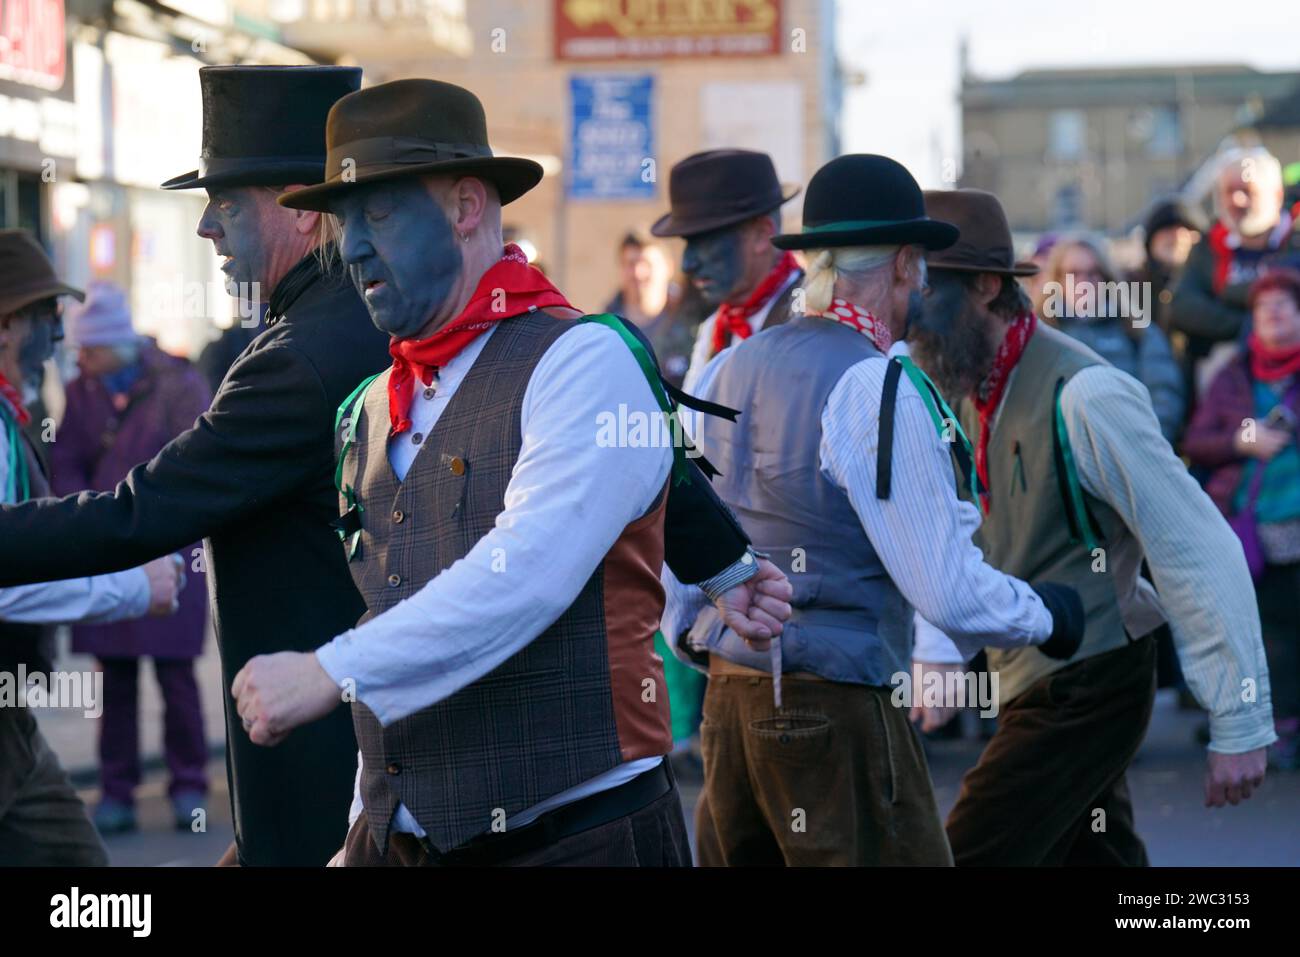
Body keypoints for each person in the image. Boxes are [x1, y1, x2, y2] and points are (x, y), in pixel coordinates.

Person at [228, 78, 793, 867]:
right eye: (343, 220)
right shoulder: (366, 408)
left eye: (380, 213)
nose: (352, 246)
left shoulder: (581, 359)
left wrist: (330, 670)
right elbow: (388, 608)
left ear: (466, 208)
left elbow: (526, 572)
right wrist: (363, 822)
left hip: (580, 843)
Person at [0, 65, 396, 866]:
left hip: (322, 777)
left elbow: (135, 512)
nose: (205, 230)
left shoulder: (301, 354)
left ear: (296, 208)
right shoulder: (350, 322)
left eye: (223, 204)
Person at [664, 156, 1084, 867]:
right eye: (920, 267)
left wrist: (704, 649)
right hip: (835, 708)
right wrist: (1048, 612)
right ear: (903, 264)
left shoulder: (724, 367)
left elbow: (682, 549)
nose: (922, 283)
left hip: (728, 707)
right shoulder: (875, 384)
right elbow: (944, 583)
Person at [909, 188, 1275, 866]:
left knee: (964, 855)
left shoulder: (1086, 393)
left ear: (987, 286)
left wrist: (1239, 718)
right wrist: (939, 654)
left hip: (1091, 678)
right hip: (1025, 677)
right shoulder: (955, 389)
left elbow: (1195, 546)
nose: (909, 312)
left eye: (926, 288)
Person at [0, 229, 183, 865]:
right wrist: (133, 580)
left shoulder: (11, 414)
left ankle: (180, 787)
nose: (57, 340)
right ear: (4, 327)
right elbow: (10, 569)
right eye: (43, 318)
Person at [51, 281, 212, 835]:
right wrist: (83, 512)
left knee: (176, 679)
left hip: (170, 549)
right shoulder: (81, 391)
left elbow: (196, 463)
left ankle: (189, 786)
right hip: (107, 550)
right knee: (113, 681)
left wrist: (149, 514)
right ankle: (116, 791)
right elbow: (65, 459)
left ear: (113, 345)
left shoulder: (179, 384)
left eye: (87, 349)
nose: (80, 358)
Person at [1184, 268, 1300, 771]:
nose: (1272, 314)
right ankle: (1277, 729)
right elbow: (1195, 441)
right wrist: (1240, 439)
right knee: (1264, 633)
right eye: (1263, 307)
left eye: (1283, 306)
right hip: (1252, 527)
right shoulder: (1233, 373)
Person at [651, 149, 803, 391]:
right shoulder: (715, 328)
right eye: (687, 243)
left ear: (763, 234)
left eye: (705, 241)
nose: (687, 264)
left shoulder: (809, 322)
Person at [1170, 147, 1300, 394]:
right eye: (1229, 192)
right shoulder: (1207, 247)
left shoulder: (1296, 241)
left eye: (1248, 192)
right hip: (1224, 367)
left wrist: (1228, 296)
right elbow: (1183, 306)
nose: (1237, 201)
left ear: (1277, 195)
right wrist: (1249, 322)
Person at [1035, 234, 1184, 443]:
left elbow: (1164, 394)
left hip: (1131, 444)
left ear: (1107, 278)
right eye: (1073, 273)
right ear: (1056, 279)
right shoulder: (1040, 333)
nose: (1083, 282)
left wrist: (1145, 443)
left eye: (1092, 273)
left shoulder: (1136, 329)